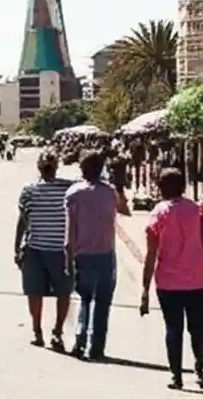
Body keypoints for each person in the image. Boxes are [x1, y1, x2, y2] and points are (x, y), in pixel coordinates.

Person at [140, 169, 203, 391]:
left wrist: (145, 289)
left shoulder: (158, 214)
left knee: (173, 328)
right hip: (198, 280)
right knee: (198, 328)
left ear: (160, 188)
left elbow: (150, 255)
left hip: (168, 283)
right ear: (183, 187)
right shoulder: (198, 210)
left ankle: (176, 376)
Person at [64, 150, 122, 360]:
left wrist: (68, 260)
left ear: (82, 168)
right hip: (105, 253)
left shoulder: (73, 193)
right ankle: (96, 346)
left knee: (84, 298)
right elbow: (123, 209)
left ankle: (80, 340)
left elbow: (70, 231)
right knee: (102, 301)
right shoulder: (110, 192)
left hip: (82, 254)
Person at [14, 152, 74, 349]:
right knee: (63, 292)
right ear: (56, 167)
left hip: (36, 250)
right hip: (61, 250)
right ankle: (57, 333)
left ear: (38, 167)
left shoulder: (29, 191)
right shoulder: (68, 188)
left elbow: (23, 221)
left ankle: (38, 332)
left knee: (35, 292)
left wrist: (16, 248)